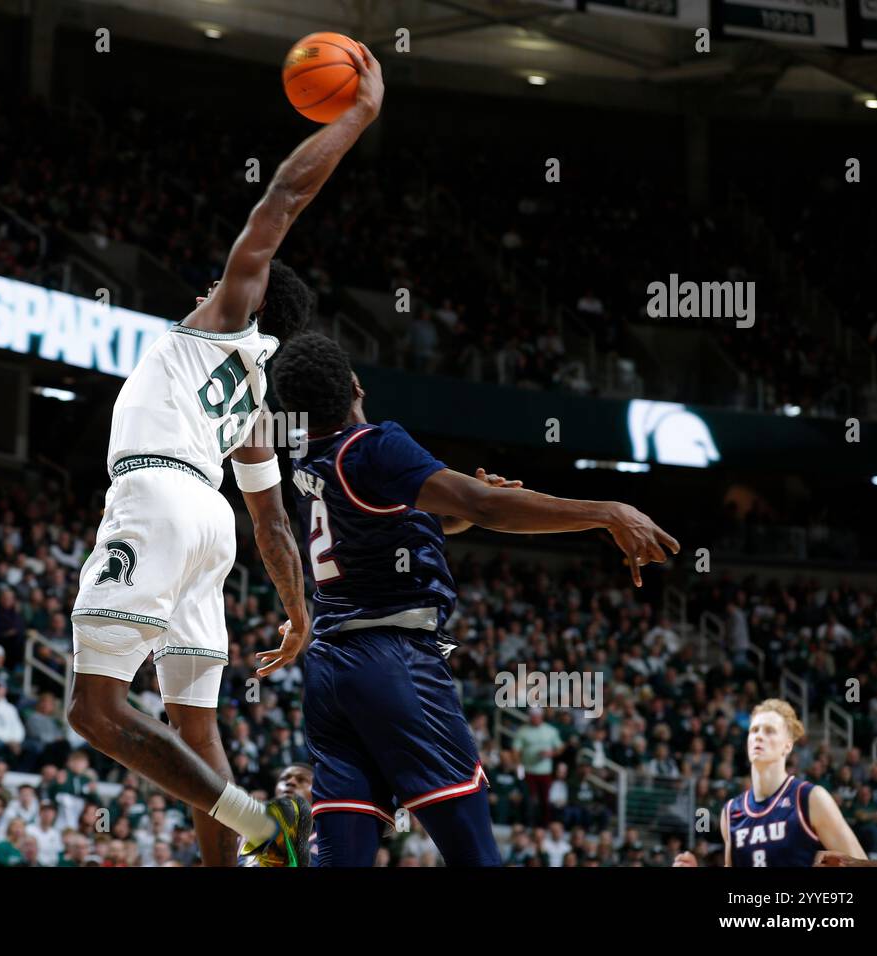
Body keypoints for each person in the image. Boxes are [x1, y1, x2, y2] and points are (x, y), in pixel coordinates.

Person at [65, 44, 386, 868]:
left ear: (248, 291)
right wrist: (299, 613)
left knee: (93, 713)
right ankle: (240, 853)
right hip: (214, 524)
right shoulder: (254, 396)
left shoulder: (224, 318)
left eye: (225, 277)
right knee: (195, 726)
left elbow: (281, 198)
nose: (211, 282)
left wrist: (354, 117)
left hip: (158, 500)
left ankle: (262, 823)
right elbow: (272, 520)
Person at [270, 332, 678, 866]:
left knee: (340, 854)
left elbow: (388, 526)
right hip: (392, 660)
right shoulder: (373, 445)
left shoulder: (308, 461)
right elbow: (485, 506)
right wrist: (608, 511)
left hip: (329, 671)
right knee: (474, 853)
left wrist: (458, 514)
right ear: (355, 385)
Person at [675, 699, 868, 867]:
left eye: (769, 731)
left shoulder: (810, 799)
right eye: (754, 730)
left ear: (788, 745)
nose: (759, 735)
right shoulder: (731, 812)